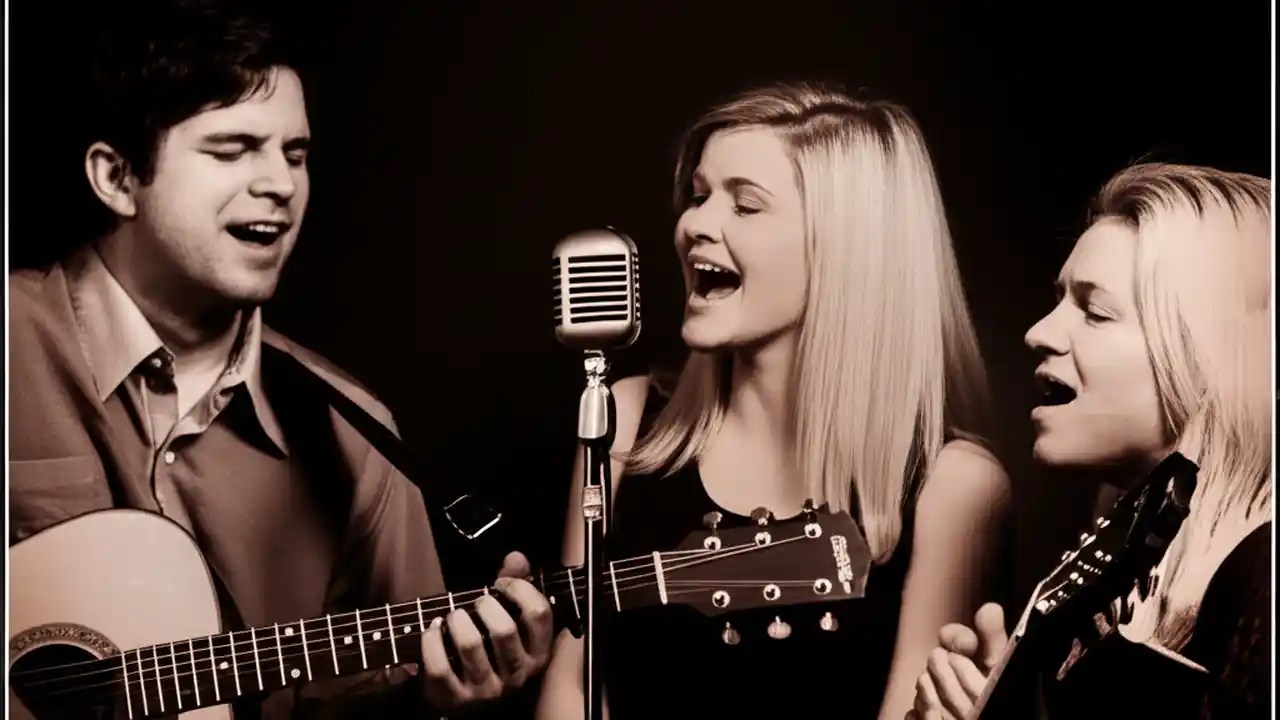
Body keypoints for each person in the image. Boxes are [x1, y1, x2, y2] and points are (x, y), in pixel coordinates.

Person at [7, 1, 552, 717]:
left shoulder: (358, 443)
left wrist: (440, 697)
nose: (281, 185)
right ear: (117, 178)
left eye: (295, 153)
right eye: (233, 149)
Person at [534, 81, 1014, 720]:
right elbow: (569, 691)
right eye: (700, 196)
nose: (693, 225)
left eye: (746, 206)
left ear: (845, 249)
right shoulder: (623, 421)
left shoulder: (953, 489)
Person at [910, 163, 1272, 719]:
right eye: (1059, 301)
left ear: (1209, 356)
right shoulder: (1128, 563)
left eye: (1096, 312)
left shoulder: (1262, 583)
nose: (1040, 333)